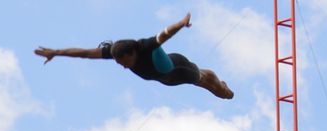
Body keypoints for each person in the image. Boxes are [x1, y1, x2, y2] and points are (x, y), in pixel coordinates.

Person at [35, 13, 234, 100]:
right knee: (207, 84)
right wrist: (56, 52)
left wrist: (181, 23)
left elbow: (164, 34)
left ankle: (222, 87)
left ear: (132, 53)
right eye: (119, 63)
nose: (122, 66)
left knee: (209, 84)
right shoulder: (116, 51)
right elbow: (85, 53)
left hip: (178, 70)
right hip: (165, 78)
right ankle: (219, 86)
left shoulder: (144, 46)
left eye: (124, 62)